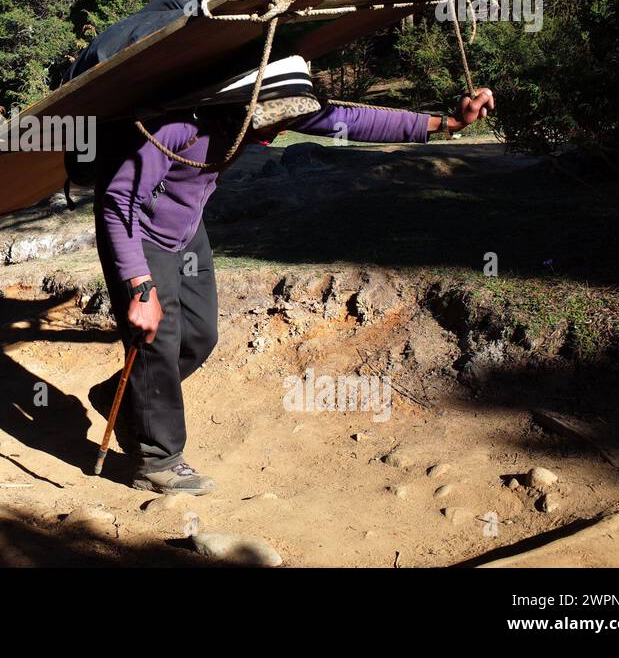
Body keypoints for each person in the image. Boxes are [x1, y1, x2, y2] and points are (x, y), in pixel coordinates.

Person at [91, 87, 496, 495]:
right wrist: (141, 285)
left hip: (187, 231)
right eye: (275, 125)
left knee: (199, 336)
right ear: (245, 108)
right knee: (156, 340)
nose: (281, 131)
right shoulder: (178, 126)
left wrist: (447, 123)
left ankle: (122, 399)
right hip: (138, 234)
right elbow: (117, 200)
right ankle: (157, 461)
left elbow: (352, 120)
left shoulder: (274, 103)